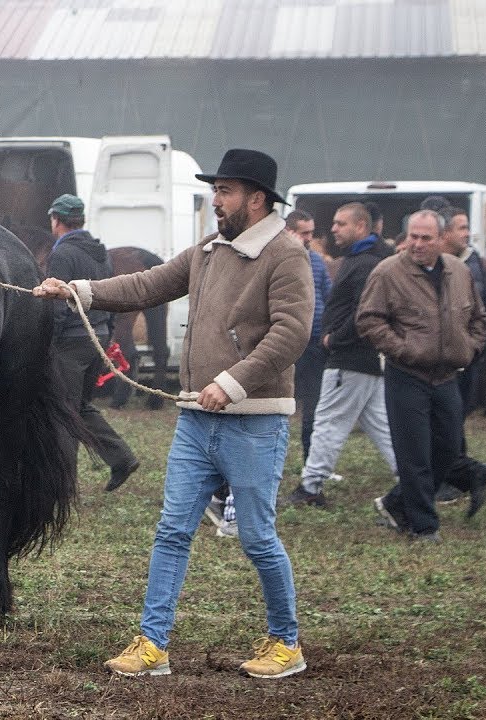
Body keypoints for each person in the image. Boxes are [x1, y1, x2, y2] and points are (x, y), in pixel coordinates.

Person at [35, 148, 313, 679]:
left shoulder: (286, 255)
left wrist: (231, 384)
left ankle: (286, 643)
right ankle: (153, 643)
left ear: (257, 199)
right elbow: (149, 284)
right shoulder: (208, 250)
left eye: (225, 191)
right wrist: (79, 292)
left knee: (256, 536)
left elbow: (292, 332)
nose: (216, 200)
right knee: (171, 531)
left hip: (254, 421)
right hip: (195, 420)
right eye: (216, 190)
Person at [357, 210, 486, 542]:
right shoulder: (387, 272)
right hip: (406, 375)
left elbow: (478, 316)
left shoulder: (458, 272)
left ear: (442, 239)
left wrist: (470, 347)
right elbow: (369, 320)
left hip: (447, 375)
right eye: (413, 236)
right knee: (413, 453)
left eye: (425, 238)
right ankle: (423, 526)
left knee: (446, 450)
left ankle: (396, 502)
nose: (417, 244)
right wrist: (403, 350)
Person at [287, 203, 398, 507]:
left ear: (361, 227)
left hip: (350, 358)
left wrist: (335, 338)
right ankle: (415, 478)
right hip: (365, 359)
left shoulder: (363, 264)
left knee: (327, 421)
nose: (333, 229)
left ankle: (310, 488)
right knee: (383, 425)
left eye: (340, 223)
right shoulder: (364, 260)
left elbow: (365, 311)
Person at [44, 193, 139, 492]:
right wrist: (107, 332)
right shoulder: (101, 254)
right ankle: (120, 458)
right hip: (95, 337)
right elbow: (107, 294)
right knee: (79, 406)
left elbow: (57, 303)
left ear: (57, 221)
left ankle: (62, 485)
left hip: (71, 341)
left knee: (63, 410)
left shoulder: (61, 255)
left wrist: (50, 340)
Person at [435, 206, 486, 504]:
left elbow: (479, 315)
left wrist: (470, 350)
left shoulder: (471, 268)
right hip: (442, 359)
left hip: (460, 360)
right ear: (445, 233)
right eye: (461, 227)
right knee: (446, 422)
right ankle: (460, 474)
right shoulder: (442, 263)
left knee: (450, 421)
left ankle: (460, 476)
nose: (467, 233)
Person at [286, 209, 331, 466]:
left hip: (314, 345)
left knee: (313, 408)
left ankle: (309, 462)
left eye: (311, 233)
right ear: (289, 231)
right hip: (286, 346)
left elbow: (329, 296)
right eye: (304, 233)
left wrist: (327, 331)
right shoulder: (275, 260)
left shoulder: (316, 261)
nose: (309, 238)